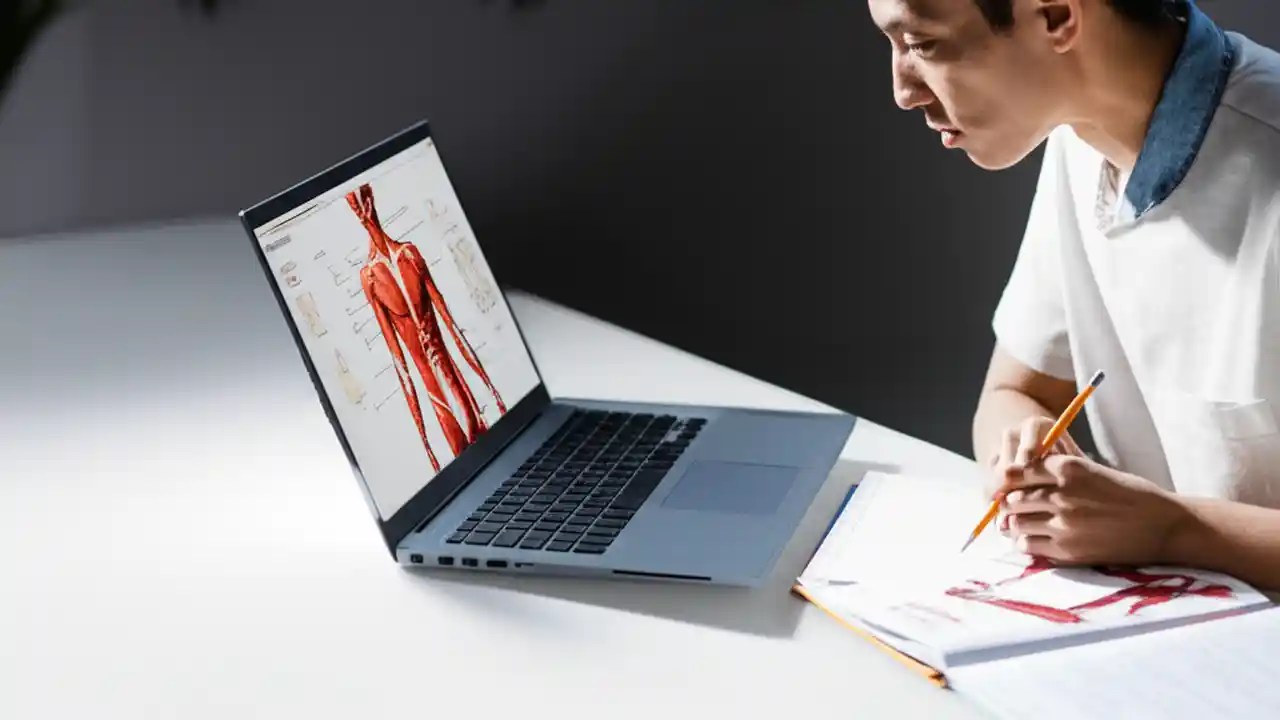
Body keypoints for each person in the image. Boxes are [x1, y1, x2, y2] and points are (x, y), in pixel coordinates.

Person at [867, 0, 1280, 588]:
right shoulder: (1079, 136)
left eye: (923, 44)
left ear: (1058, 15)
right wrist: (1032, 466)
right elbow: (1012, 392)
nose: (903, 91)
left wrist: (1174, 528)